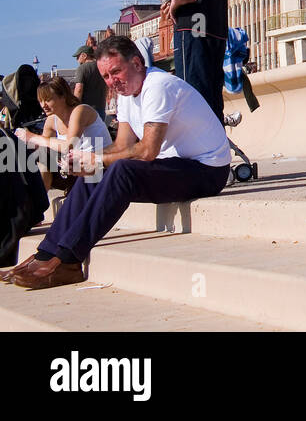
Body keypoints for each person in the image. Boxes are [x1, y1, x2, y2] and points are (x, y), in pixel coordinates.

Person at [1, 36, 230, 290]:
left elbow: (146, 151)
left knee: (120, 170)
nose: (112, 81)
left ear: (137, 63)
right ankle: (46, 253)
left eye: (116, 71)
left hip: (208, 169)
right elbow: (121, 145)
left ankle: (67, 260)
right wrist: (87, 162)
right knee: (95, 173)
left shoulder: (158, 86)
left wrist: (97, 159)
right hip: (176, 165)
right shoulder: (126, 95)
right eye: (106, 76)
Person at [13, 76, 113, 194]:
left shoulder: (81, 111)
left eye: (48, 99)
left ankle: (37, 205)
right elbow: (43, 150)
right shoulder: (51, 121)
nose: (43, 105)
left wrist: (33, 137)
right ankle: (36, 205)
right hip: (75, 171)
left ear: (63, 96)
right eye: (40, 101)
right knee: (40, 158)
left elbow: (68, 146)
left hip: (99, 170)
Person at [71, 45, 108, 122]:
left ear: (84, 55)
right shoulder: (102, 67)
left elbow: (79, 89)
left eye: (78, 57)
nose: (77, 60)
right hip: (101, 108)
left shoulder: (82, 68)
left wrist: (75, 107)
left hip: (86, 110)